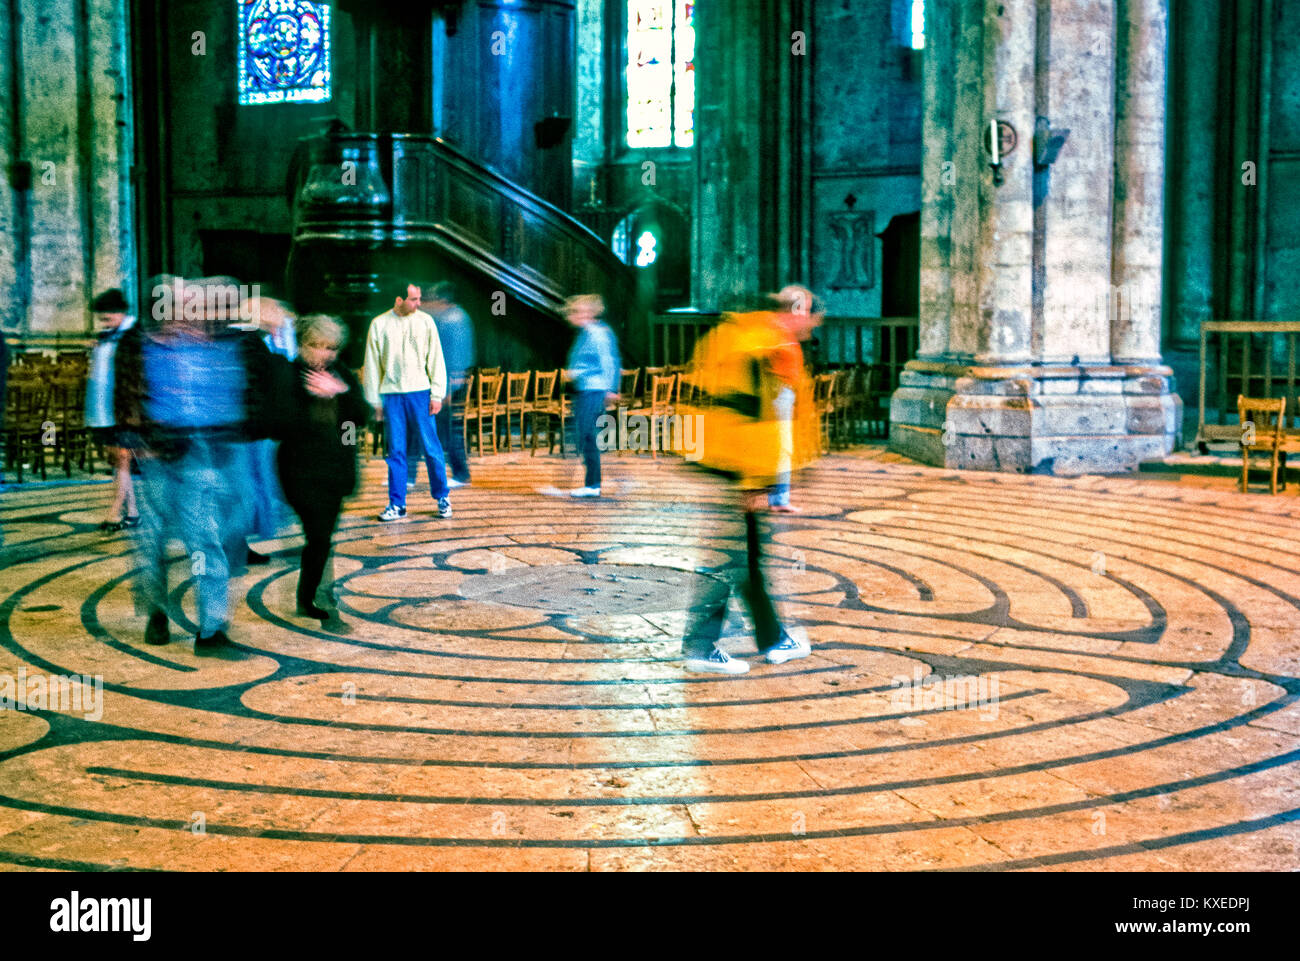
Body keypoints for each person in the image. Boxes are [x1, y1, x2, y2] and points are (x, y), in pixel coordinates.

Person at [114, 276, 266, 654]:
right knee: (152, 544)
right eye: (182, 305)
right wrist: (137, 444)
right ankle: (156, 611)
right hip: (153, 458)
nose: (190, 312)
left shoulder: (203, 342)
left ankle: (211, 630)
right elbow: (124, 399)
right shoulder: (134, 344)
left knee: (204, 539)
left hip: (197, 454)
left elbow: (226, 391)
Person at [679, 287, 821, 674]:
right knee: (735, 559)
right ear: (796, 311)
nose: (810, 328)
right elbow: (760, 416)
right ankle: (701, 645)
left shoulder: (735, 332)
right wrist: (758, 482)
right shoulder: (770, 346)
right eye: (809, 318)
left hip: (715, 457)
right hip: (739, 465)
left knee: (744, 557)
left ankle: (772, 639)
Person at [270, 315, 370, 621]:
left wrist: (340, 392)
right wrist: (310, 398)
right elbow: (278, 424)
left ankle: (308, 596)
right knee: (318, 534)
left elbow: (361, 417)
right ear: (302, 344)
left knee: (322, 537)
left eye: (331, 348)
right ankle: (309, 596)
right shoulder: (288, 375)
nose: (324, 354)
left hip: (334, 471)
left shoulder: (341, 374)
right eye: (317, 345)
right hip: (300, 472)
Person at [361, 281, 452, 521]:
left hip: (421, 393)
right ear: (399, 300)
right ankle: (397, 504)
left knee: (431, 448)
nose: (419, 303)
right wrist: (375, 401)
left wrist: (437, 394)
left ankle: (442, 497)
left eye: (419, 298)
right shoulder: (379, 324)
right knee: (395, 451)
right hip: (391, 396)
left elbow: (436, 358)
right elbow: (372, 365)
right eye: (414, 299)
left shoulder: (425, 321)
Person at [85, 288, 138, 531]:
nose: (105, 323)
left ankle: (114, 512)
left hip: (124, 410)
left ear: (120, 312)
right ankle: (133, 511)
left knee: (123, 459)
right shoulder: (107, 336)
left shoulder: (133, 336)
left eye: (107, 318)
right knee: (119, 461)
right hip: (105, 410)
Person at [768, 286, 824, 512]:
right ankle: (778, 498)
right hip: (778, 394)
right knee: (781, 447)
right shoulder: (776, 333)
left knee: (783, 447)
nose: (807, 317)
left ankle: (778, 497)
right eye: (805, 310)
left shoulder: (784, 334)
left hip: (784, 394)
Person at [562, 294, 620, 498]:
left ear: (587, 313)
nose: (571, 316)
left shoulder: (596, 334)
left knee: (587, 435)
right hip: (587, 389)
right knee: (586, 435)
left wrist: (611, 388)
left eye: (575, 312)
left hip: (593, 390)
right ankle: (593, 484)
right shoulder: (587, 332)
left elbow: (608, 361)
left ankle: (593, 485)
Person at [425, 281, 474, 487]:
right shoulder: (455, 317)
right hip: (450, 382)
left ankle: (461, 474)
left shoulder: (453, 319)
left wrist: (449, 390)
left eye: (432, 300)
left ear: (442, 300)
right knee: (448, 429)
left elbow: (455, 358)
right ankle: (458, 473)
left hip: (451, 384)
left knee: (452, 430)